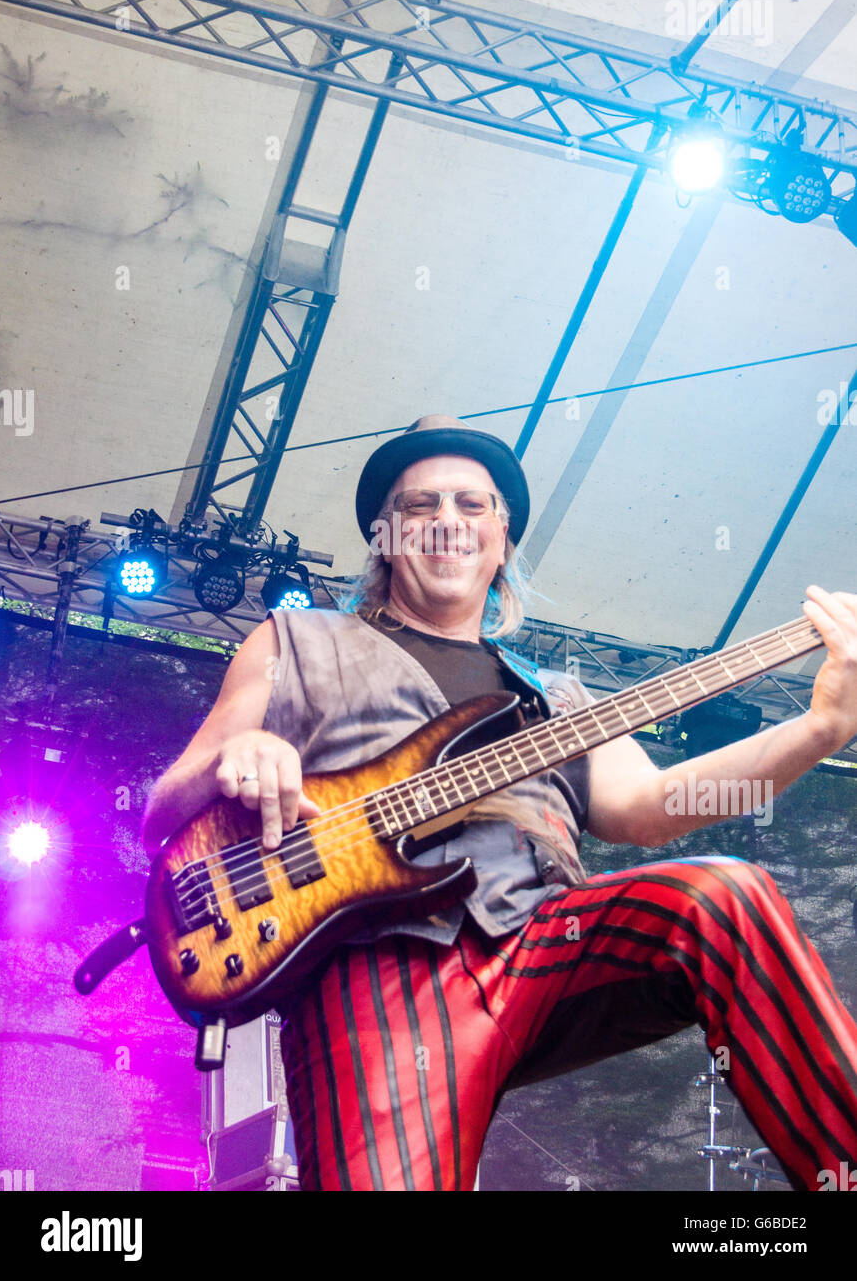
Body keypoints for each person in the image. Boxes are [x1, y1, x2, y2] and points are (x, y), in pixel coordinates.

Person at [142, 414, 857, 1192]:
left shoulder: (552, 695)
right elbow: (161, 814)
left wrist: (821, 728)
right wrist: (229, 760)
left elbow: (650, 805)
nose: (448, 521)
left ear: (502, 538)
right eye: (421, 506)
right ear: (385, 534)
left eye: (471, 504)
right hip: (379, 972)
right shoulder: (295, 642)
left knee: (724, 897)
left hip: (546, 940)